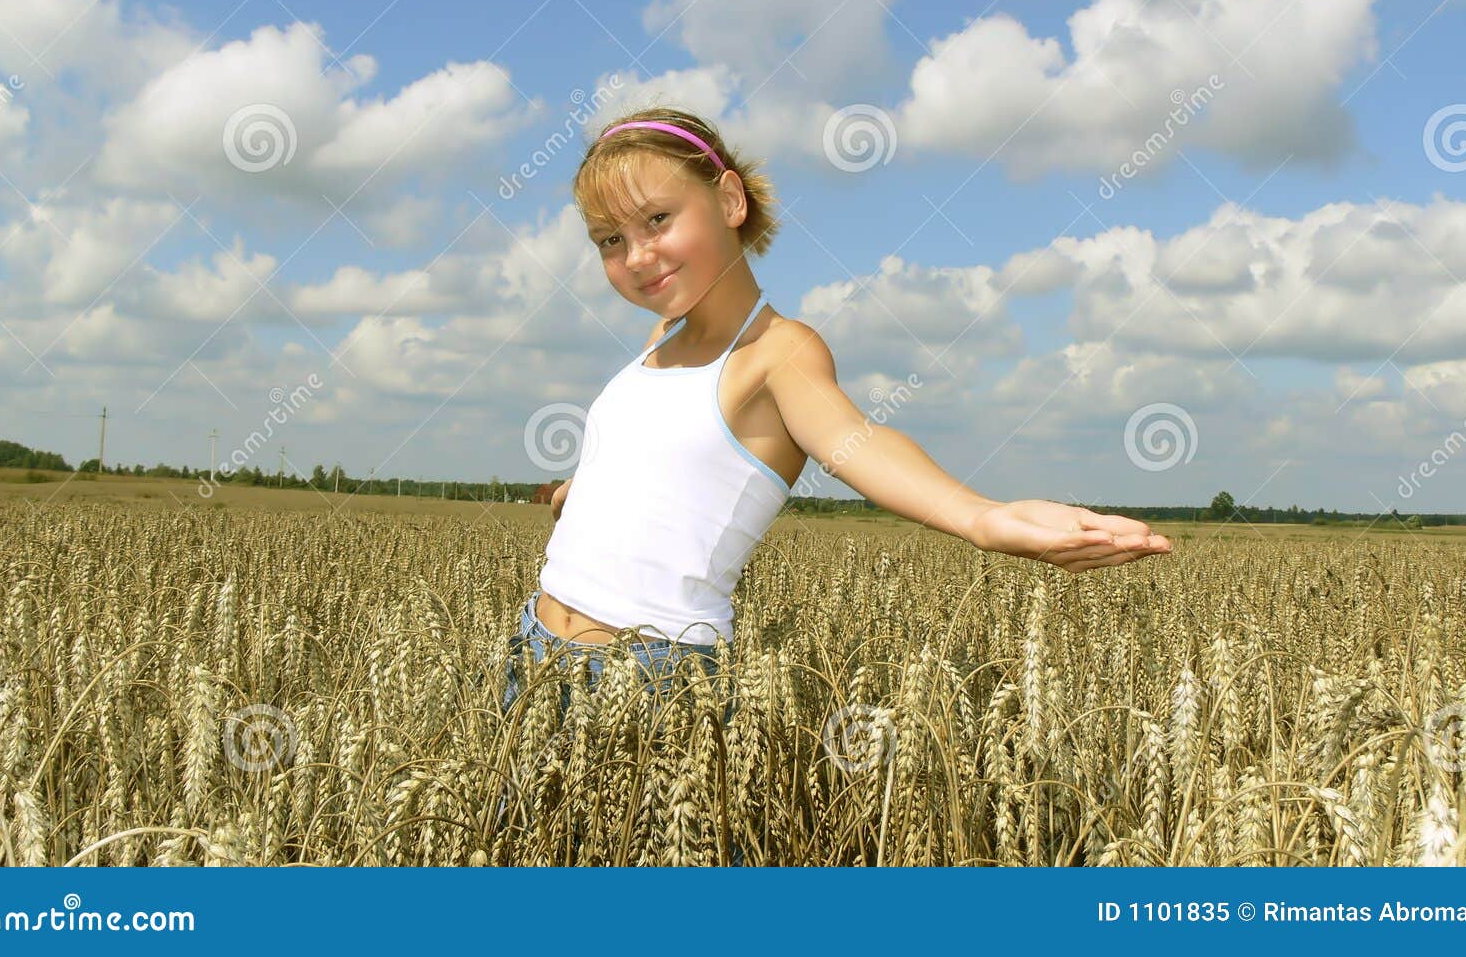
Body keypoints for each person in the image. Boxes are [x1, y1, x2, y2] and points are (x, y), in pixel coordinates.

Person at [496, 106, 1173, 852]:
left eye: (658, 218)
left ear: (727, 201)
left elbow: (858, 442)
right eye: (609, 240)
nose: (637, 254)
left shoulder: (779, 354)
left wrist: (981, 517)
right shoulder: (661, 341)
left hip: (653, 682)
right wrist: (574, 496)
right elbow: (662, 468)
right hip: (534, 653)